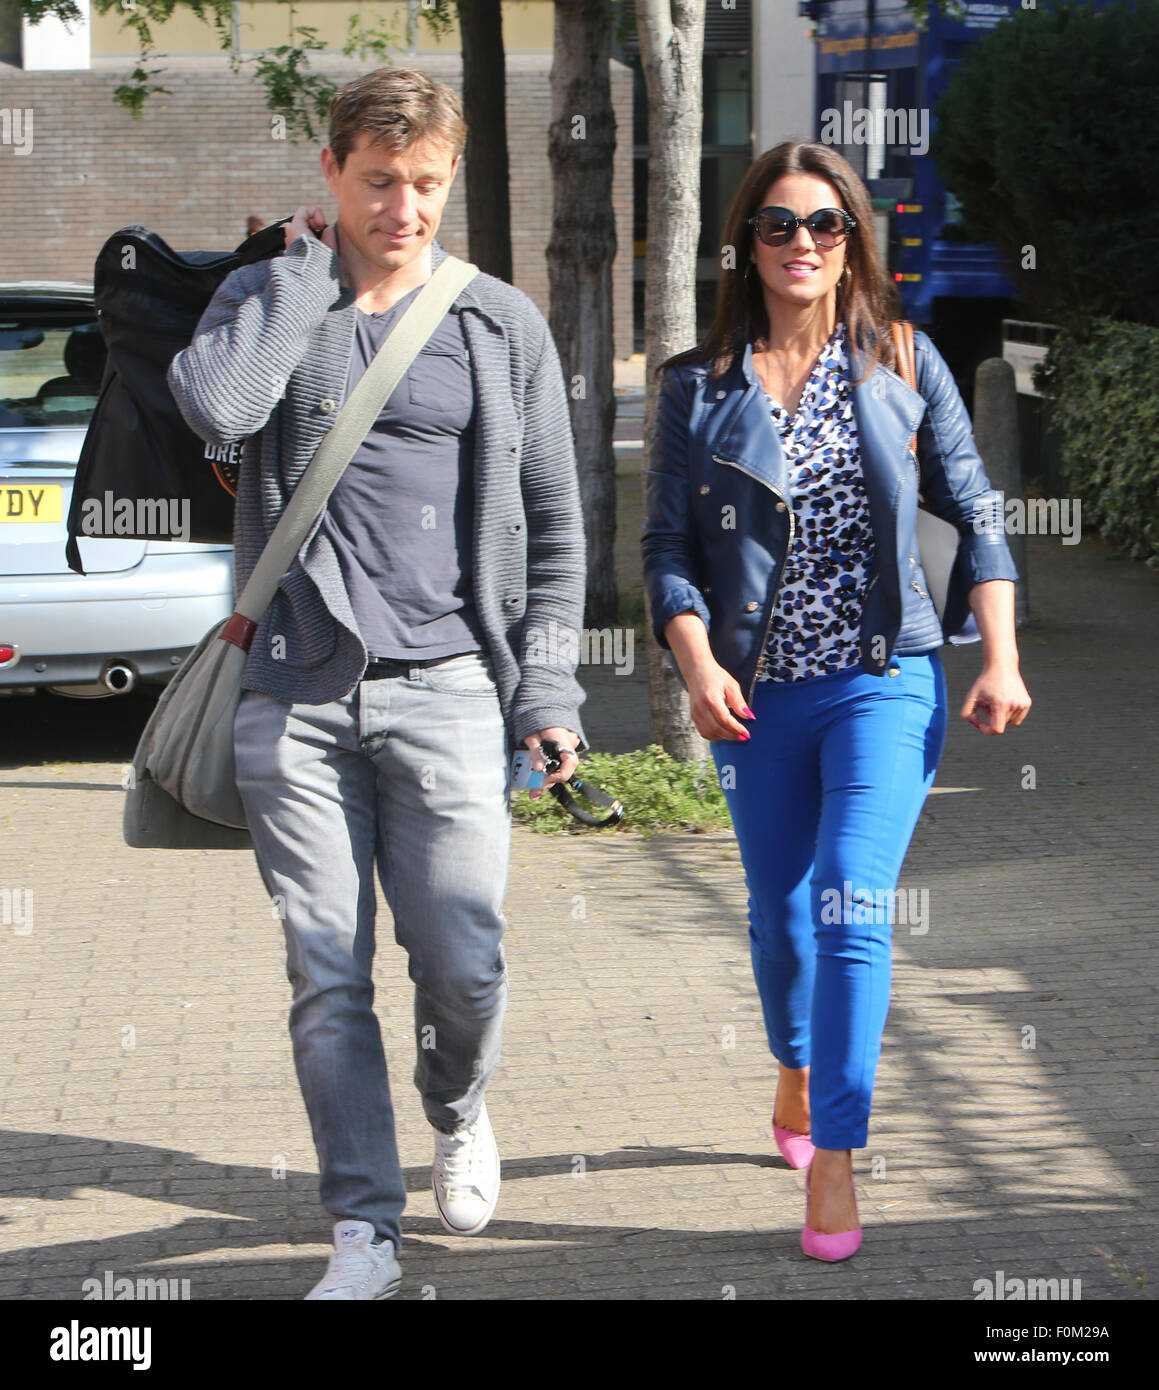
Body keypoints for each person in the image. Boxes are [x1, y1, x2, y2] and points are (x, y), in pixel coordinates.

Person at [168, 67, 587, 1299]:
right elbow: (215, 404)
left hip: (454, 687)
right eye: (377, 182)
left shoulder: (495, 322)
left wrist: (549, 693)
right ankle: (365, 1226)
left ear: (449, 177)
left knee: (461, 952)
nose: (403, 207)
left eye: (425, 183)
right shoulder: (268, 294)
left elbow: (556, 529)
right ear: (332, 172)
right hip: (295, 694)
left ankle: (456, 1108)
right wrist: (297, 277)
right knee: (327, 966)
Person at [642, 141, 1030, 1262]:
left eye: (824, 223)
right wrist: (694, 659)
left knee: (848, 900)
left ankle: (842, 1160)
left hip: (883, 678)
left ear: (853, 237)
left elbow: (975, 511)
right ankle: (795, 1062)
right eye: (777, 224)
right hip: (756, 699)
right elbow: (666, 544)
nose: (802, 243)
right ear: (744, 242)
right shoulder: (694, 383)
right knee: (778, 921)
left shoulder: (904, 356)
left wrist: (997, 656)